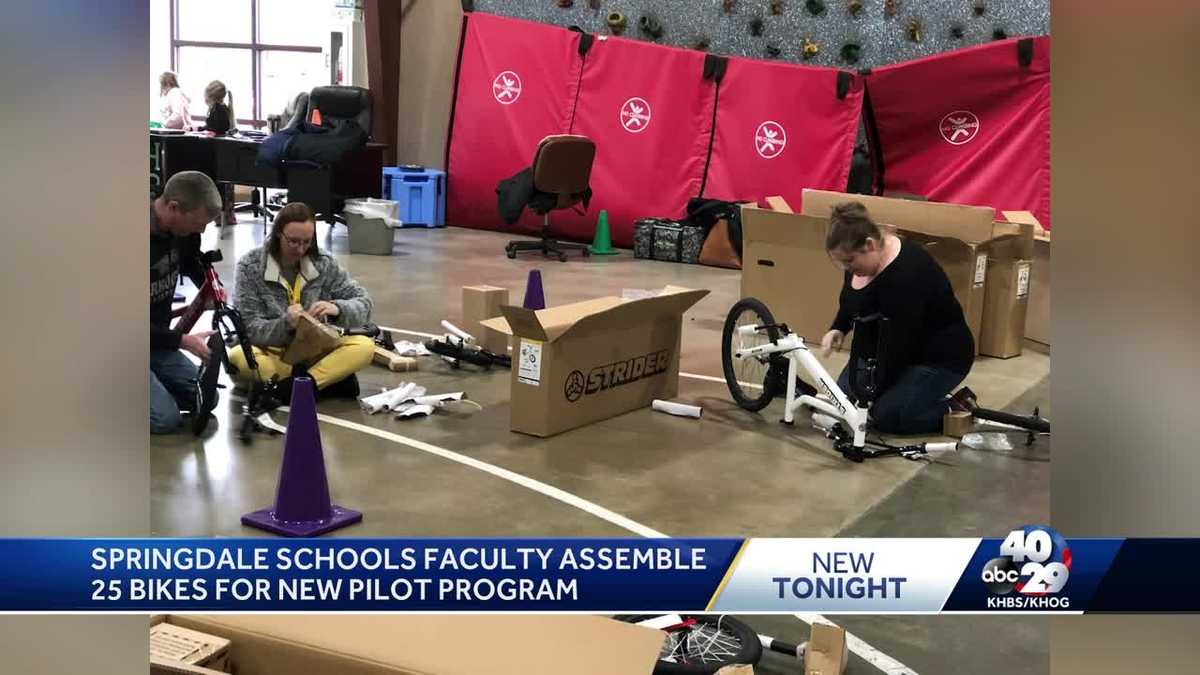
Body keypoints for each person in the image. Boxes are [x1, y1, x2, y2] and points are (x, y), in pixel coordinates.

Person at [820, 202, 974, 434]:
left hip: (937, 358)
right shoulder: (859, 263)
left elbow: (901, 345)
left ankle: (955, 407)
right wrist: (838, 328)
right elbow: (851, 300)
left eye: (849, 261)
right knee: (840, 404)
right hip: (882, 350)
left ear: (869, 245)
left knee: (885, 418)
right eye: (842, 262)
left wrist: (872, 394)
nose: (846, 268)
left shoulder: (907, 275)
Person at [228, 202, 374, 398]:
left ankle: (293, 388)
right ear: (279, 233)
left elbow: (364, 302)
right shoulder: (250, 266)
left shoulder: (324, 262)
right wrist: (285, 325)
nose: (300, 249)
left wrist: (337, 308)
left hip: (312, 351)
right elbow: (247, 327)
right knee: (239, 357)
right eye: (293, 241)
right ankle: (323, 382)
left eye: (307, 242)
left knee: (364, 346)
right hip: (272, 352)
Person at [151, 171, 223, 434]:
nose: (201, 231)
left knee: (206, 398)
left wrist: (212, 289)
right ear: (173, 208)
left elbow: (191, 261)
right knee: (165, 419)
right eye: (197, 224)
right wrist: (181, 340)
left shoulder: (183, 231)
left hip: (153, 341)